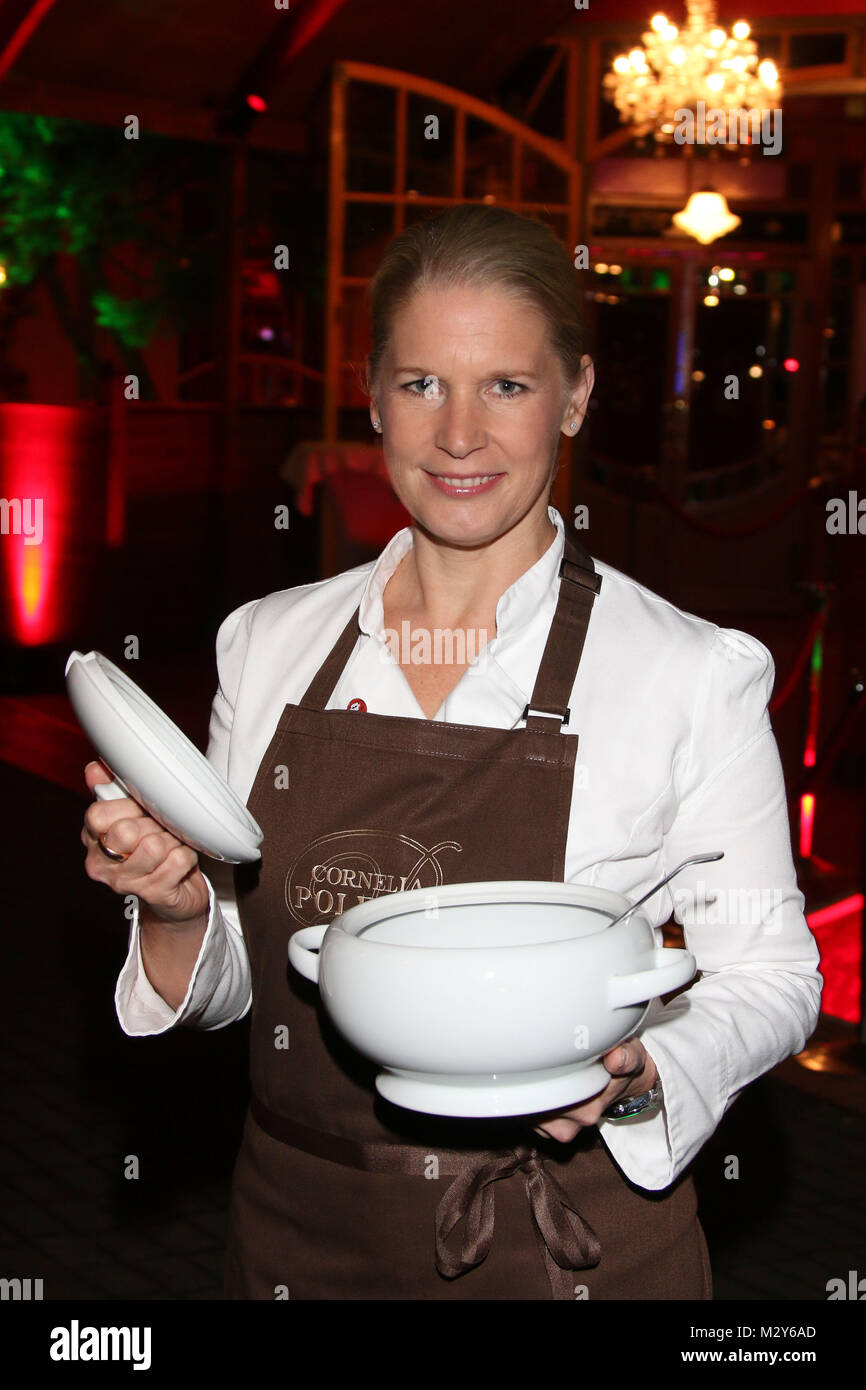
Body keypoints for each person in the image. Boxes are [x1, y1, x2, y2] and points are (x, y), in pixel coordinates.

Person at [81, 204, 821, 1300]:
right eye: (422, 382)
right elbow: (243, 975)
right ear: (374, 395)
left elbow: (771, 974)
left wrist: (640, 1075)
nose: (459, 434)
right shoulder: (268, 643)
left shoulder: (688, 672)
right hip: (294, 1234)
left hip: (564, 1242)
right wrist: (183, 912)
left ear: (574, 395)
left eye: (506, 386)